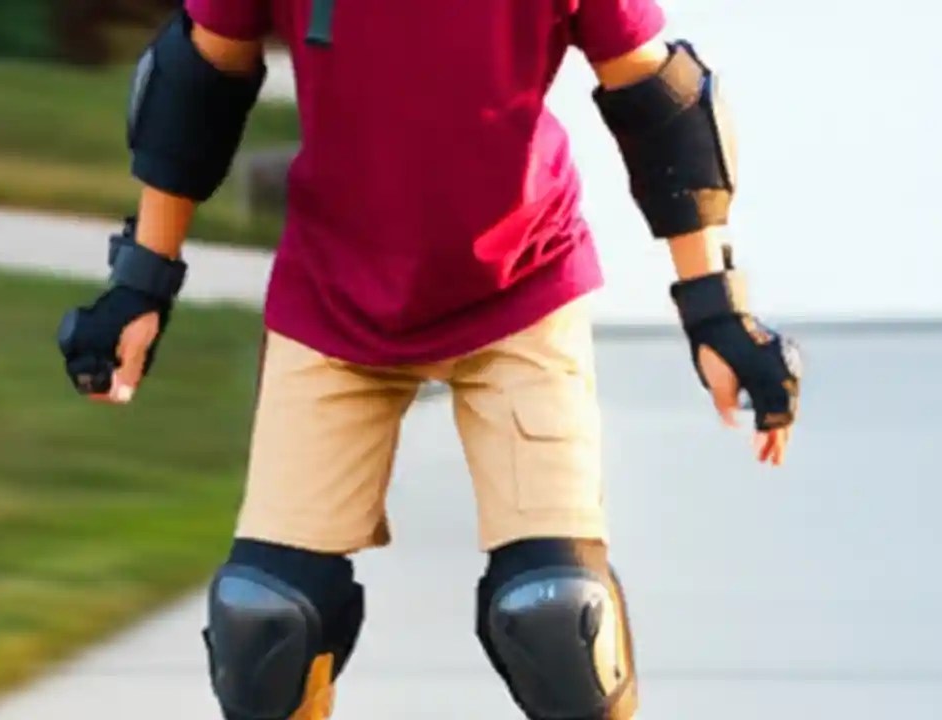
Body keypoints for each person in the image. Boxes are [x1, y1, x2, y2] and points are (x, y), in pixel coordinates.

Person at [56, 0, 803, 717]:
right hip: (334, 296)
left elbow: (658, 93)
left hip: (521, 288)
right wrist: (140, 283)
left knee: (560, 621)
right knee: (267, 624)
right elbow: (196, 79)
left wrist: (716, 308)